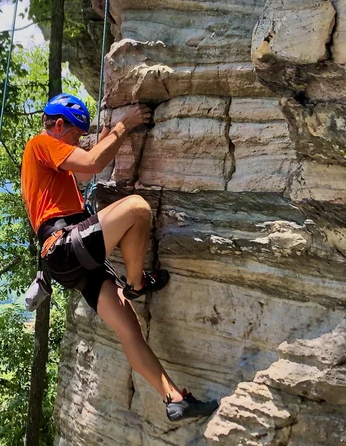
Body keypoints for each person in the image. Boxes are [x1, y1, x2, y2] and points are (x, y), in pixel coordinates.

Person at [21, 93, 219, 423]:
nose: (78, 142)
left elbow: (86, 170)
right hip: (64, 244)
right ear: (57, 126)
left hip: (67, 261)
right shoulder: (40, 144)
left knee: (129, 328)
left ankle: (174, 399)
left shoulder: (55, 164)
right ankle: (137, 282)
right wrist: (125, 125)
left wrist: (103, 140)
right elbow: (93, 164)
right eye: (75, 135)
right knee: (137, 208)